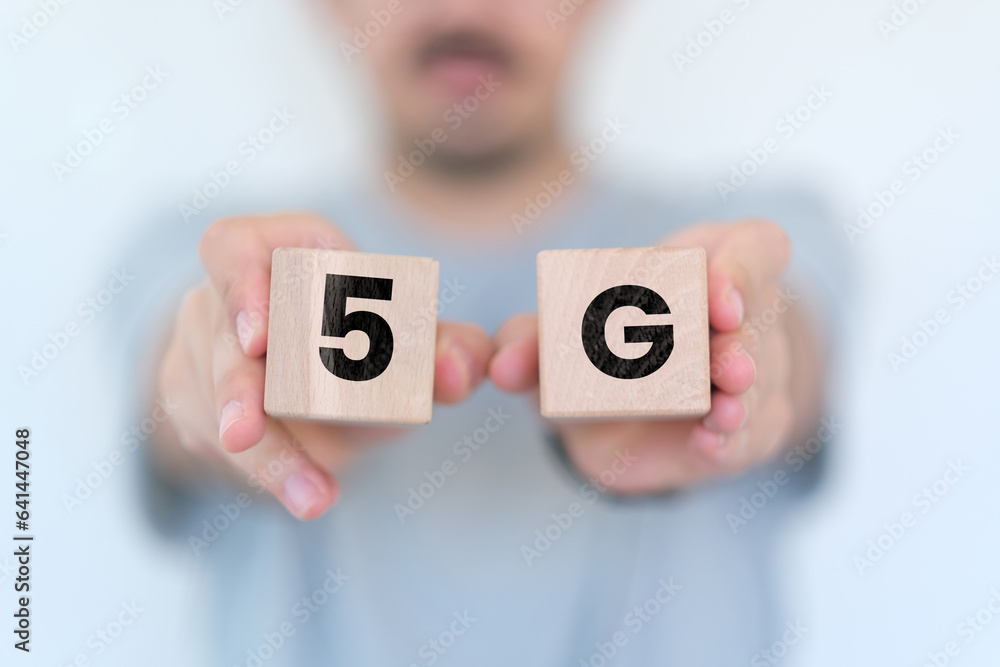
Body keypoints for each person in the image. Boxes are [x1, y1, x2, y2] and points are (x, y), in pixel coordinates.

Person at [140, 0, 842, 663]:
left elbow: (788, 344)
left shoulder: (764, 236)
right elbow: (182, 373)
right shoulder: (197, 259)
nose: (464, 11)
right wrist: (220, 390)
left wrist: (748, 362)